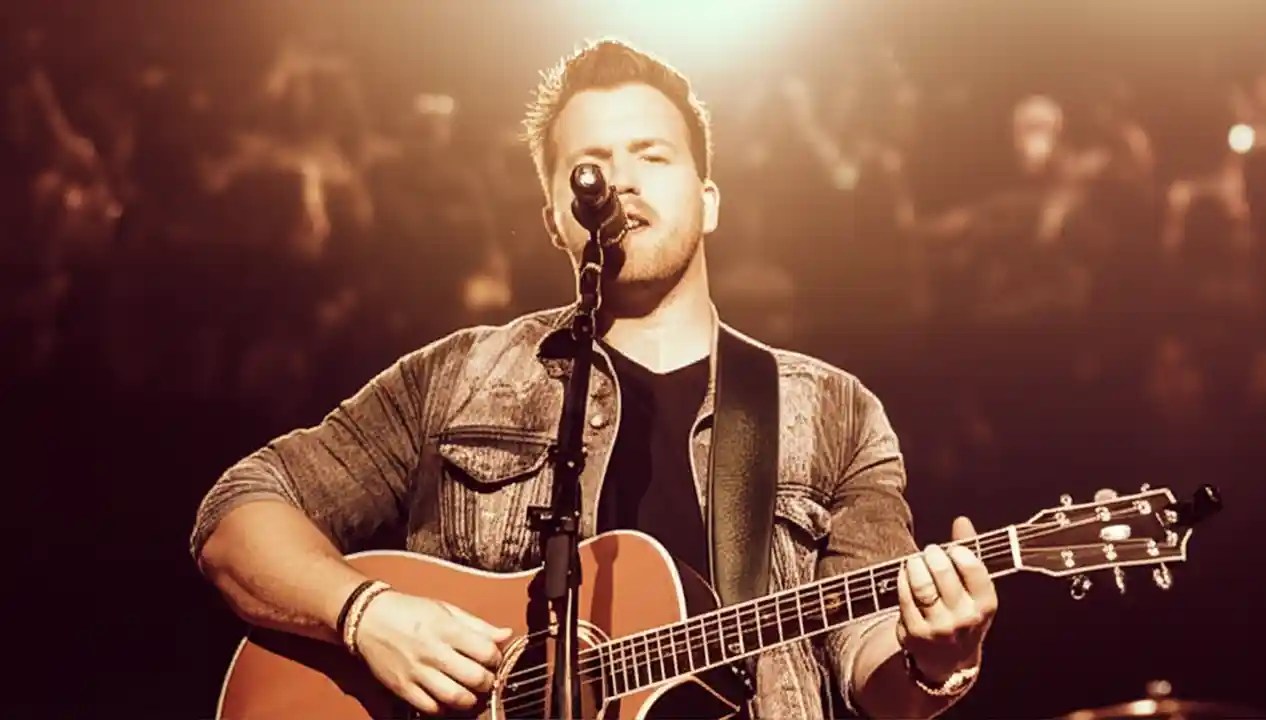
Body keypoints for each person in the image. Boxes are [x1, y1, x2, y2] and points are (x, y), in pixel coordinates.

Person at [190, 38, 997, 719]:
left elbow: (867, 667)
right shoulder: (457, 377)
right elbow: (238, 516)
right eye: (591, 165)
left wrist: (935, 660)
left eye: (652, 155)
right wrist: (366, 614)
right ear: (554, 216)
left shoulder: (833, 413)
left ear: (708, 199)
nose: (622, 181)